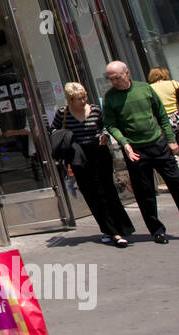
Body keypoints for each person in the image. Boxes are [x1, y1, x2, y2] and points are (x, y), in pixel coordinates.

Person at [102, 61, 179, 244]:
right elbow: (111, 124)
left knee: (178, 186)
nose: (114, 82)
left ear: (127, 73)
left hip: (158, 144)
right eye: (110, 79)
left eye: (117, 77)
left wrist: (170, 140)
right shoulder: (110, 98)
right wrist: (124, 143)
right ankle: (157, 230)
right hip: (135, 150)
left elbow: (161, 114)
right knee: (144, 193)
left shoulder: (144, 89)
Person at [51, 82, 137, 247]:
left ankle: (118, 230)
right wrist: (68, 140)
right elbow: (54, 131)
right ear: (70, 100)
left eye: (84, 97)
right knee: (91, 193)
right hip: (78, 156)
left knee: (107, 190)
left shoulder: (96, 109)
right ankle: (107, 229)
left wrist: (104, 134)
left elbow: (107, 125)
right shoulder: (63, 113)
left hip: (99, 153)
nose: (82, 101)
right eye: (78, 99)